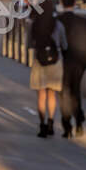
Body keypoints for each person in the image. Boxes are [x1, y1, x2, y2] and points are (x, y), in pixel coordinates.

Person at [57, 0, 86, 137]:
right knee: (75, 92)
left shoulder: (58, 21)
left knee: (64, 93)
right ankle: (79, 121)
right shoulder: (83, 21)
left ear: (61, 3)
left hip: (63, 61)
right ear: (74, 3)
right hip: (78, 63)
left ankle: (67, 127)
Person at [27, 7, 67, 137]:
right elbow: (64, 45)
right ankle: (51, 122)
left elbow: (30, 44)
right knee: (51, 94)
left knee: (41, 95)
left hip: (39, 62)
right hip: (55, 62)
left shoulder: (34, 24)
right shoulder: (58, 25)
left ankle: (42, 125)